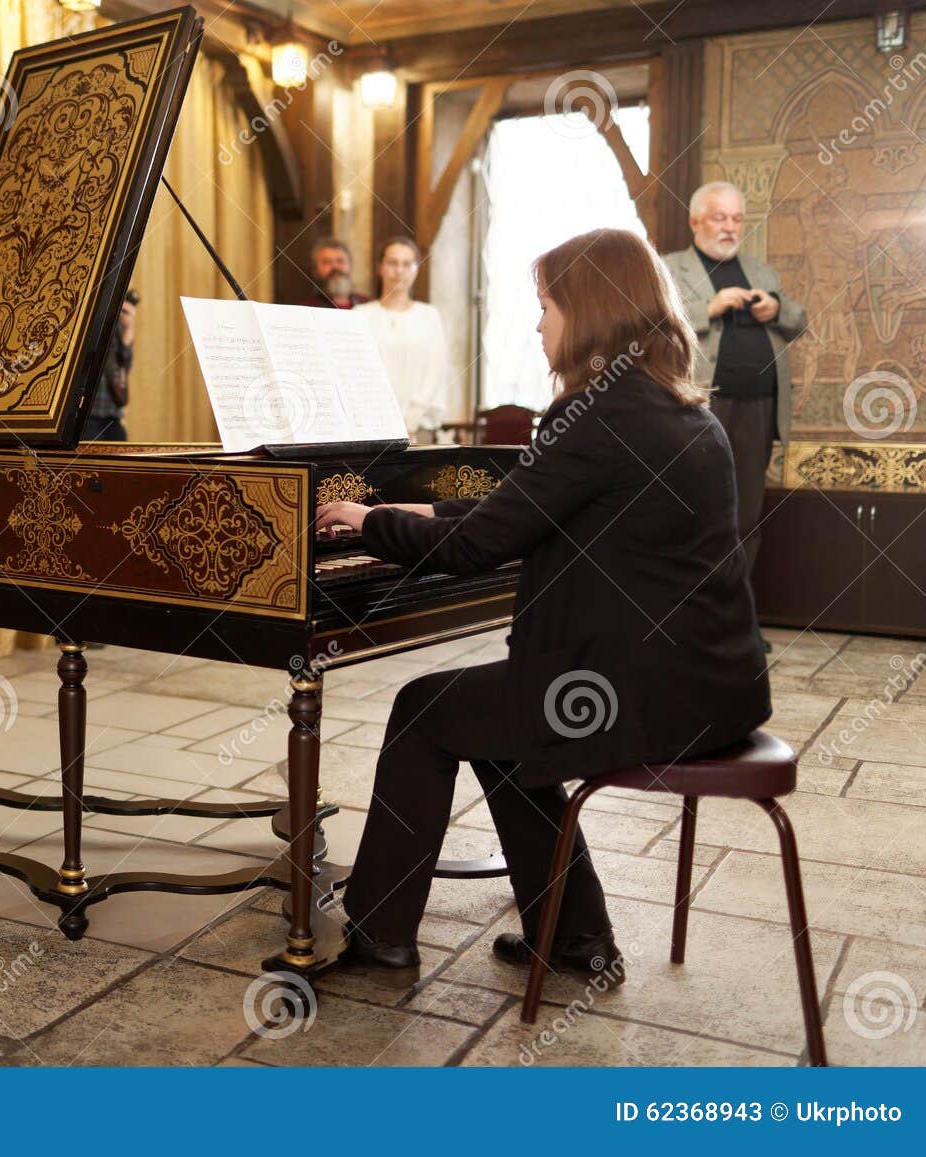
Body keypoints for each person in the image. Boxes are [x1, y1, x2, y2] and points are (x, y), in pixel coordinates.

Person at [314, 228, 771, 980]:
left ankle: (379, 935)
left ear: (589, 312)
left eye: (547, 307)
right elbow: (529, 513)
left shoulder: (595, 414)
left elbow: (480, 545)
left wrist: (369, 520)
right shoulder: (676, 406)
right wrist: (422, 515)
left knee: (424, 710)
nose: (538, 325)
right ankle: (573, 935)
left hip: (636, 695)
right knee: (497, 722)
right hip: (715, 688)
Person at [663, 182, 807, 592]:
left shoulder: (762, 272)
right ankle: (689, 618)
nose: (729, 227)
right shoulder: (670, 268)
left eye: (736, 218)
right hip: (700, 408)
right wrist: (709, 307)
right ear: (695, 221)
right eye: (719, 217)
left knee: (746, 516)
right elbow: (651, 325)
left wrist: (775, 307)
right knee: (695, 511)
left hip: (759, 406)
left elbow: (799, 320)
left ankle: (736, 621)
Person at [354, 237, 452, 439]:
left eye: (407, 264)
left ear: (416, 269)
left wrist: (409, 422)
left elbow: (435, 371)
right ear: (380, 267)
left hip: (418, 429)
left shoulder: (429, 315)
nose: (399, 271)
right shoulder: (360, 314)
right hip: (371, 427)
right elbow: (355, 373)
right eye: (392, 263)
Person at [82, 292, 136, 441]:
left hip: (113, 415)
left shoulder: (118, 328)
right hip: (88, 416)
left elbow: (125, 369)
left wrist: (128, 330)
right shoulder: (90, 320)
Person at [298, 239, 370, 308]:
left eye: (340, 261)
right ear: (315, 270)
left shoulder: (367, 305)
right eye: (327, 262)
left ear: (350, 266)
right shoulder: (306, 309)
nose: (335, 266)